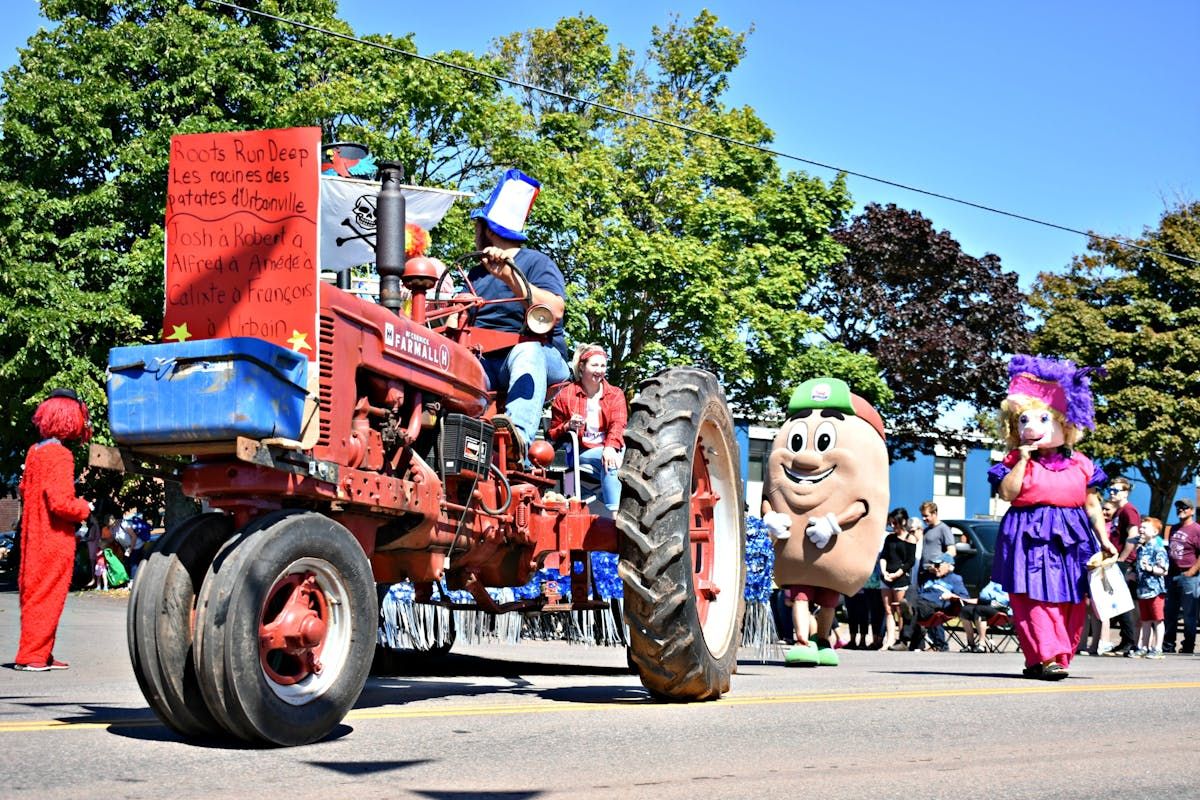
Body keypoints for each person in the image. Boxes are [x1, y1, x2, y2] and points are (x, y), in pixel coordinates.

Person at [989, 355, 1116, 681]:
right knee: (1031, 597)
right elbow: (1007, 494)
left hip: (1071, 535)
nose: (1030, 426)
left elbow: (1092, 505)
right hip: (1027, 533)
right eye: (1023, 421)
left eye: (1043, 419)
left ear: (1064, 424)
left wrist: (1105, 542)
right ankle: (1045, 656)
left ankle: (1047, 658)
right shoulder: (1014, 459)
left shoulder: (1082, 463)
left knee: (1072, 598)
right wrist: (1021, 460)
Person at [468, 169, 569, 456]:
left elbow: (554, 310)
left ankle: (517, 439)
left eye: (478, 227)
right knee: (450, 362)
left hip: (540, 354)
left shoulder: (537, 262)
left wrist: (511, 278)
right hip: (483, 357)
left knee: (527, 351)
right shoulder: (472, 273)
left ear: (486, 229)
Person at [14, 388, 93, 671]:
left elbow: (25, 489)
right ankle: (32, 656)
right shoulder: (60, 455)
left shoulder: (34, 452)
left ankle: (39, 653)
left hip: (31, 534)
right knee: (49, 596)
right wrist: (85, 508)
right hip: (53, 537)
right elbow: (60, 503)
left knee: (33, 593)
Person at [548, 344, 627, 511]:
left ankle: (615, 518)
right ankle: (571, 505)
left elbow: (618, 424)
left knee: (611, 460)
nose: (599, 370)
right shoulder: (565, 394)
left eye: (603, 365)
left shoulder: (615, 394)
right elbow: (553, 432)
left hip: (608, 448)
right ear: (582, 367)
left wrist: (610, 447)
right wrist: (568, 425)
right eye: (595, 365)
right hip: (578, 451)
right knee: (568, 466)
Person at [1105, 475, 1141, 656]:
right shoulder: (1118, 512)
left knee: (1122, 602)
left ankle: (1130, 643)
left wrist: (1122, 559)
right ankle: (1125, 641)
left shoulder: (1129, 510)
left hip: (1123, 562)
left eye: (1115, 490)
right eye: (1110, 490)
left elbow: (1133, 536)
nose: (1111, 493)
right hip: (1115, 560)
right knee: (1117, 603)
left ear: (1125, 492)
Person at [1082, 498, 1119, 655]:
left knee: (1099, 608)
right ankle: (1081, 643)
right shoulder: (1087, 523)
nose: (1104, 512)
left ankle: (1097, 643)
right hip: (1087, 565)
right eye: (1102, 509)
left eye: (1107, 509)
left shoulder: (1110, 528)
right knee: (1085, 607)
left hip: (1102, 569)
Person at [1163, 498, 1200, 654]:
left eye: (1184, 507)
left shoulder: (1197, 529)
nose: (1180, 510)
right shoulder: (1173, 528)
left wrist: (1192, 571)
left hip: (1189, 577)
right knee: (1169, 613)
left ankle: (1188, 646)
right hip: (1171, 576)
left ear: (1191, 511)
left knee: (1189, 614)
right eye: (1178, 507)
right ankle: (1168, 645)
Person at [1128, 517, 1169, 658]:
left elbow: (1164, 570)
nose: (1141, 529)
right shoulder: (1141, 549)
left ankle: (1157, 648)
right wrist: (1133, 573)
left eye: (1145, 528)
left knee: (1158, 620)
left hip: (1155, 590)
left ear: (1155, 532)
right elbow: (1138, 567)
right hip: (1142, 590)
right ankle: (1143, 647)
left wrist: (1150, 568)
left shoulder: (1159, 549)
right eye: (1141, 527)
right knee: (1145, 620)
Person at [881, 509, 918, 650]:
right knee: (888, 610)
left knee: (900, 609)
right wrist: (884, 571)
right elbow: (884, 556)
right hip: (886, 576)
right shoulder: (889, 538)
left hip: (901, 577)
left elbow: (910, 561)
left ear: (903, 521)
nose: (893, 525)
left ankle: (901, 640)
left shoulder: (910, 538)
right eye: (891, 523)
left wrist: (897, 573)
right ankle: (889, 640)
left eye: (895, 522)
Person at [918, 501, 954, 569]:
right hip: (924, 572)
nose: (923, 518)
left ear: (934, 513)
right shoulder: (926, 530)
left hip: (936, 573)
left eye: (926, 516)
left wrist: (937, 563)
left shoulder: (943, 529)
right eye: (922, 516)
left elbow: (952, 551)